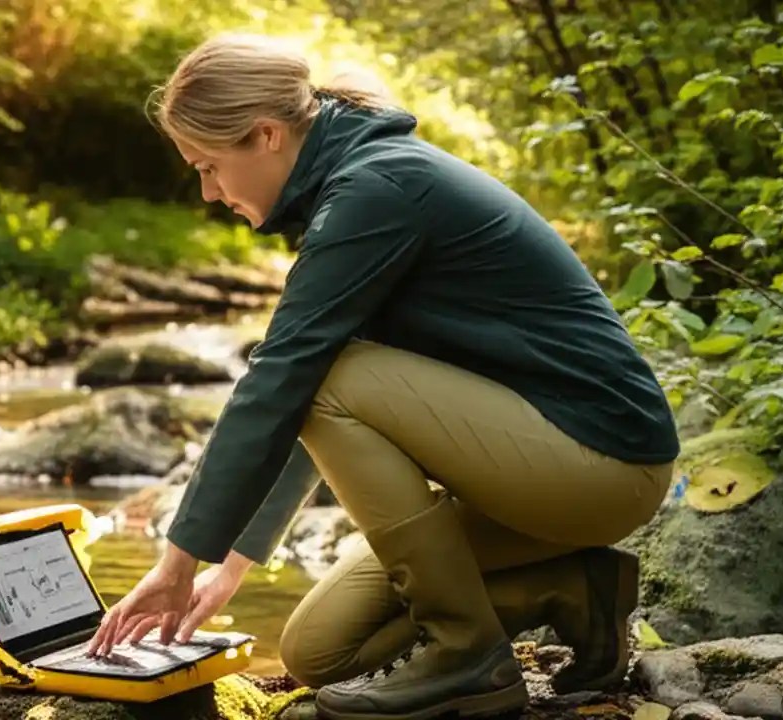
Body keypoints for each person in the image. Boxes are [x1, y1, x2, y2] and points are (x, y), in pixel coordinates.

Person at [86, 32, 679, 720]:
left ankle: (467, 654)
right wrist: (231, 569)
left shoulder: (379, 188)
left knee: (326, 373)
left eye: (209, 166)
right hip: (536, 472)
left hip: (600, 461)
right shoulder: (356, 188)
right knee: (320, 652)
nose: (208, 193)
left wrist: (175, 560)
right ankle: (575, 591)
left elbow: (288, 379)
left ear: (267, 135)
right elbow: (304, 391)